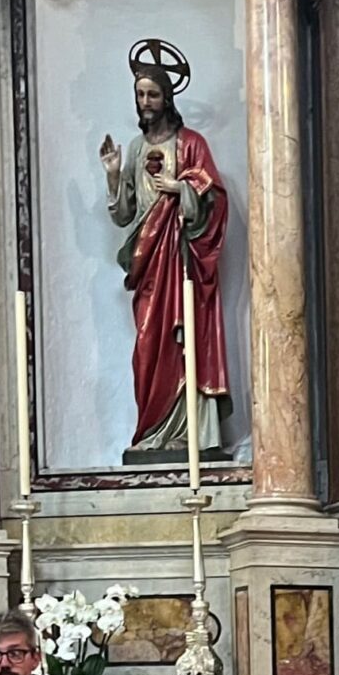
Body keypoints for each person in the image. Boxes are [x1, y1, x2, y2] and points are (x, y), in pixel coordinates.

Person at [101, 51, 232, 453]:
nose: (145, 103)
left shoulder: (191, 145)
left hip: (180, 261)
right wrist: (111, 174)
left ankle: (191, 433)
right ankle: (153, 432)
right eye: (140, 95)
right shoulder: (137, 149)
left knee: (184, 339)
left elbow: (215, 199)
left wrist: (184, 190)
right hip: (147, 265)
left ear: (167, 98)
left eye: (153, 95)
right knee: (147, 346)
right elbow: (125, 215)